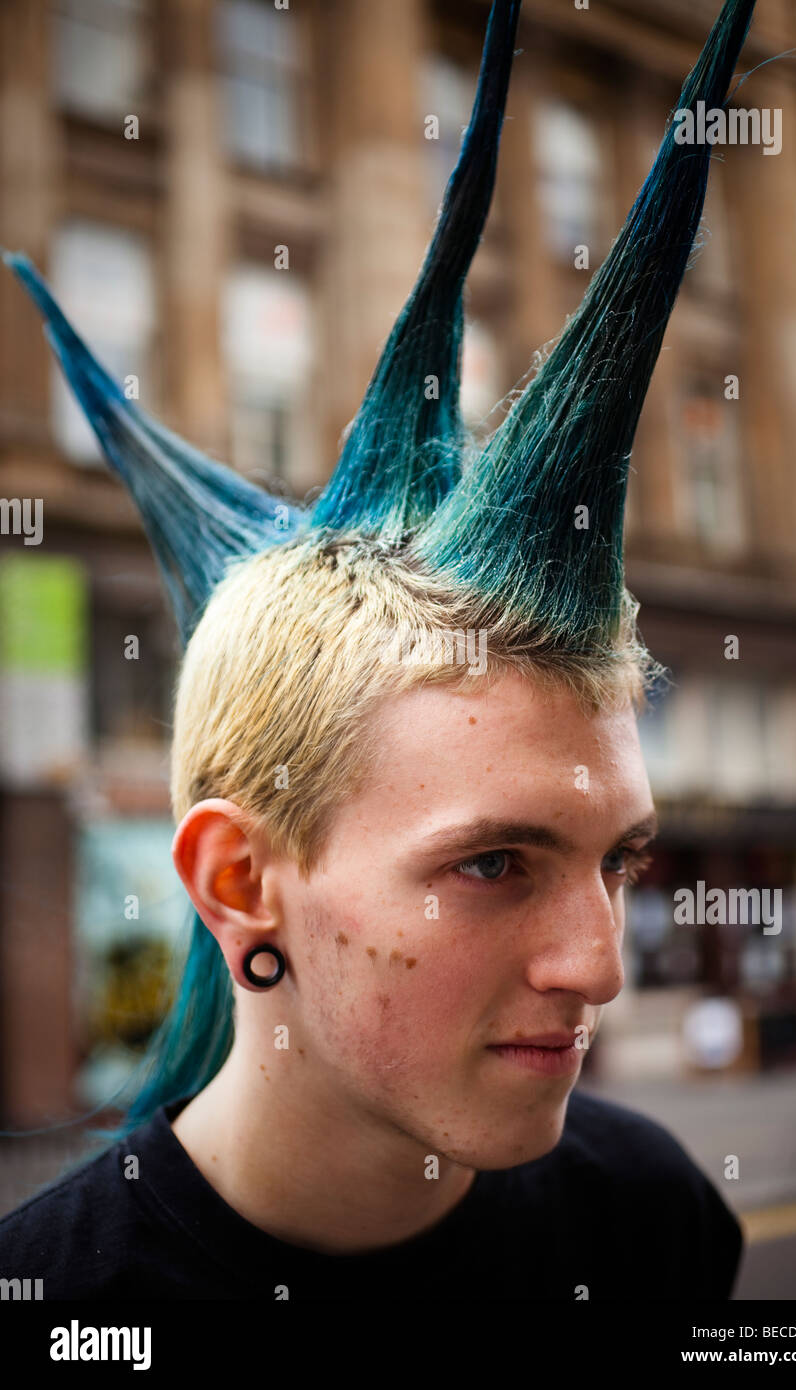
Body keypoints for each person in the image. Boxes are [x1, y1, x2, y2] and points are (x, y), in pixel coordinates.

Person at [0, 0, 757, 1300]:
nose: (602, 966)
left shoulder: (658, 1227)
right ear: (240, 879)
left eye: (617, 857)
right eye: (492, 861)